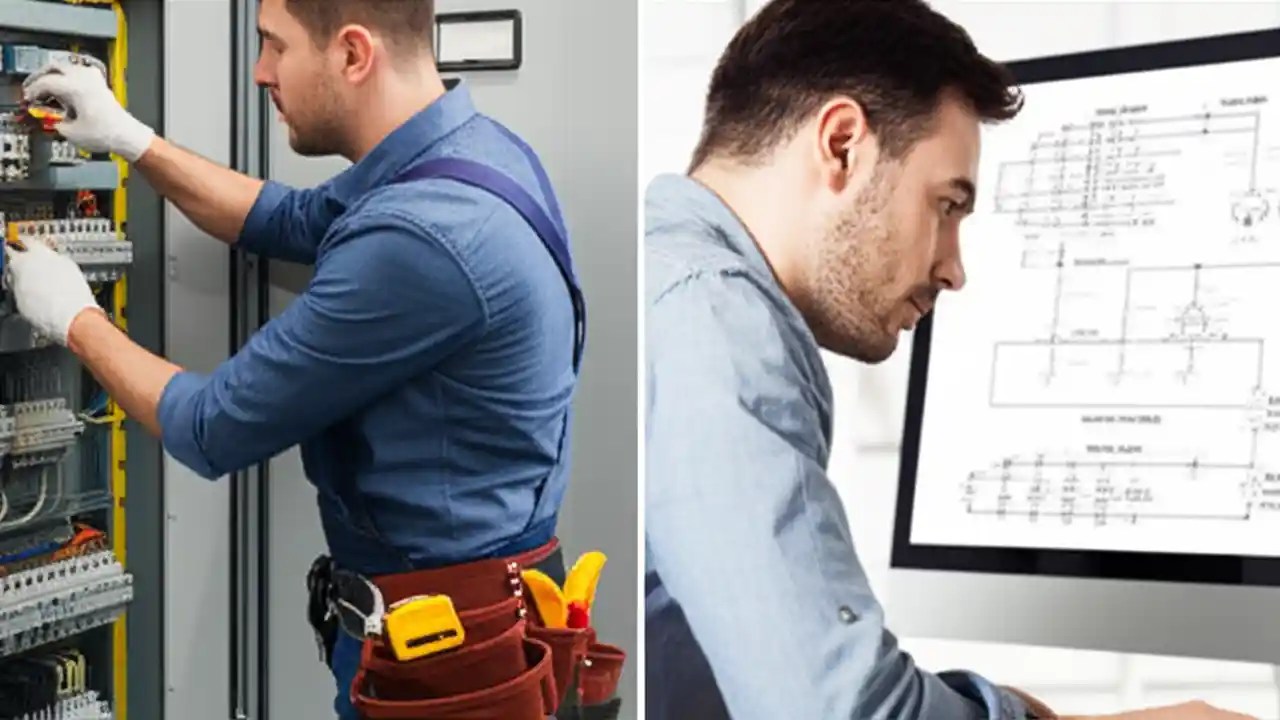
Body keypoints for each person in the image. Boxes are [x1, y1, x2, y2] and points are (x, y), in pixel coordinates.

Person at [6, 0, 623, 718]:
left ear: (353, 54)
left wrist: (73, 317)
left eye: (273, 46)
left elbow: (212, 427)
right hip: (475, 616)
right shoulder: (475, 153)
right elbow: (287, 219)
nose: (261, 71)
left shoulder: (424, 237)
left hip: (445, 655)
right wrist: (131, 140)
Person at [643, 1, 1255, 719]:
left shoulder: (663, 278)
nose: (953, 268)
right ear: (842, 145)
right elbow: (838, 711)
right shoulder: (717, 320)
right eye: (946, 205)